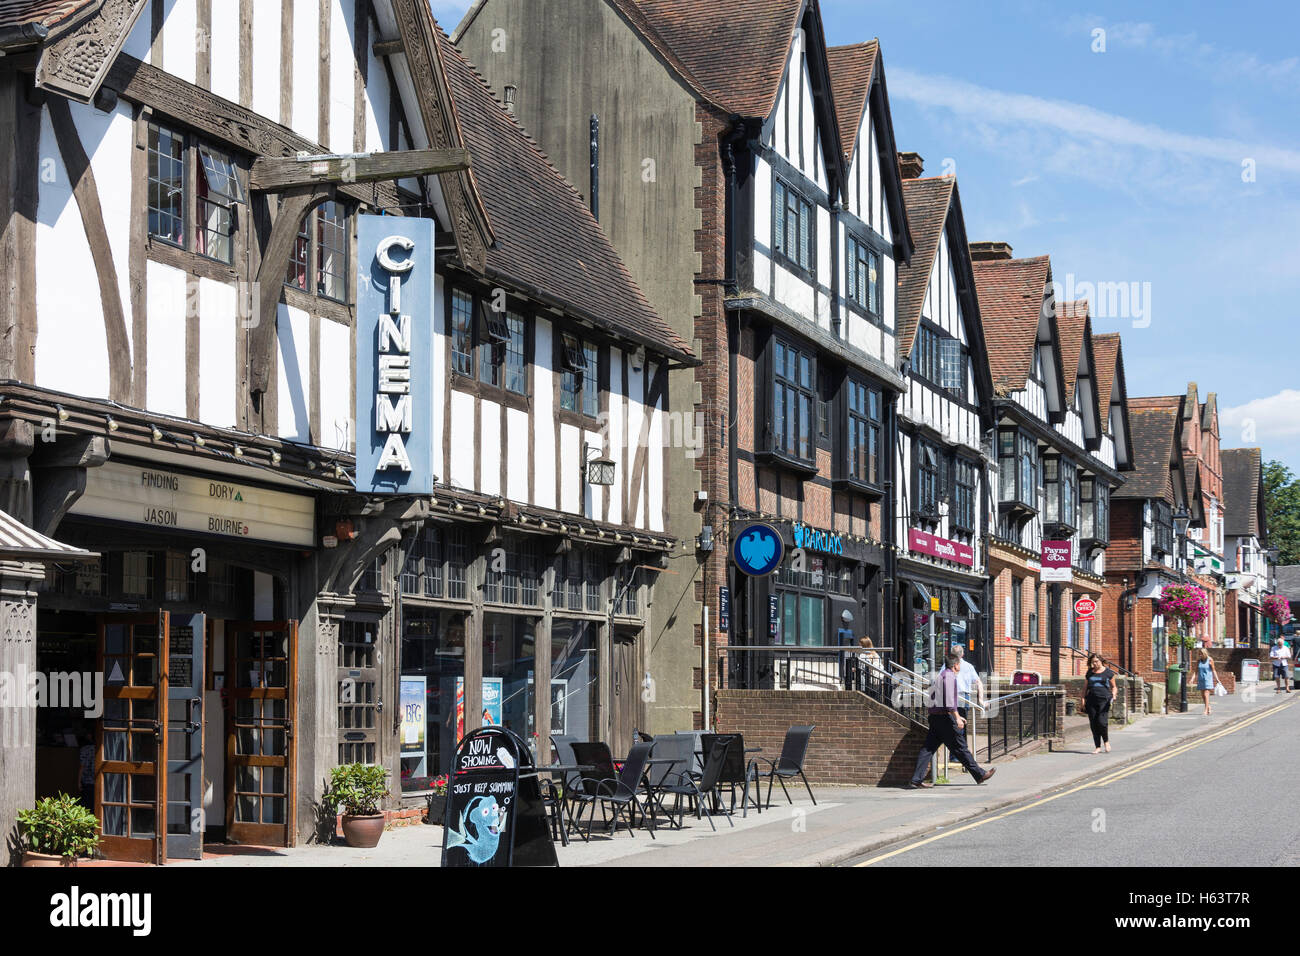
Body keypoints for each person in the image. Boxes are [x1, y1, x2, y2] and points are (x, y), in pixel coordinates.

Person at [905, 652, 995, 789]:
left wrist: (957, 715)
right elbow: (949, 703)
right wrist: (957, 718)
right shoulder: (949, 677)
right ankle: (980, 774)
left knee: (928, 749)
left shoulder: (943, 675)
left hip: (936, 718)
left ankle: (916, 780)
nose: (960, 666)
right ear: (956, 665)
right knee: (960, 747)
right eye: (959, 663)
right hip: (943, 718)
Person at [1082, 653, 1116, 754]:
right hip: (1091, 700)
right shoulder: (1089, 673)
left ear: (1101, 661)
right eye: (1092, 662)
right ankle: (1097, 746)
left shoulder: (1108, 673)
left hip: (1104, 700)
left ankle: (1106, 741)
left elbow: (1114, 686)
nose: (1094, 664)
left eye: (1096, 661)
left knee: (1102, 722)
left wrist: (1114, 695)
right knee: (1093, 724)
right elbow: (1085, 688)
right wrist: (1082, 700)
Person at [1195, 646, 1220, 715]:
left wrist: (1217, 679)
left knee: (1206, 694)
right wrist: (1192, 678)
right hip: (1201, 679)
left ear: (1205, 653)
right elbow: (1196, 671)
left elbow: (1213, 670)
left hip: (1208, 679)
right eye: (1199, 654)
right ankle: (1208, 707)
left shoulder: (1210, 660)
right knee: (1203, 695)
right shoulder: (1198, 661)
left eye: (1201, 654)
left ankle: (1206, 710)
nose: (1200, 655)